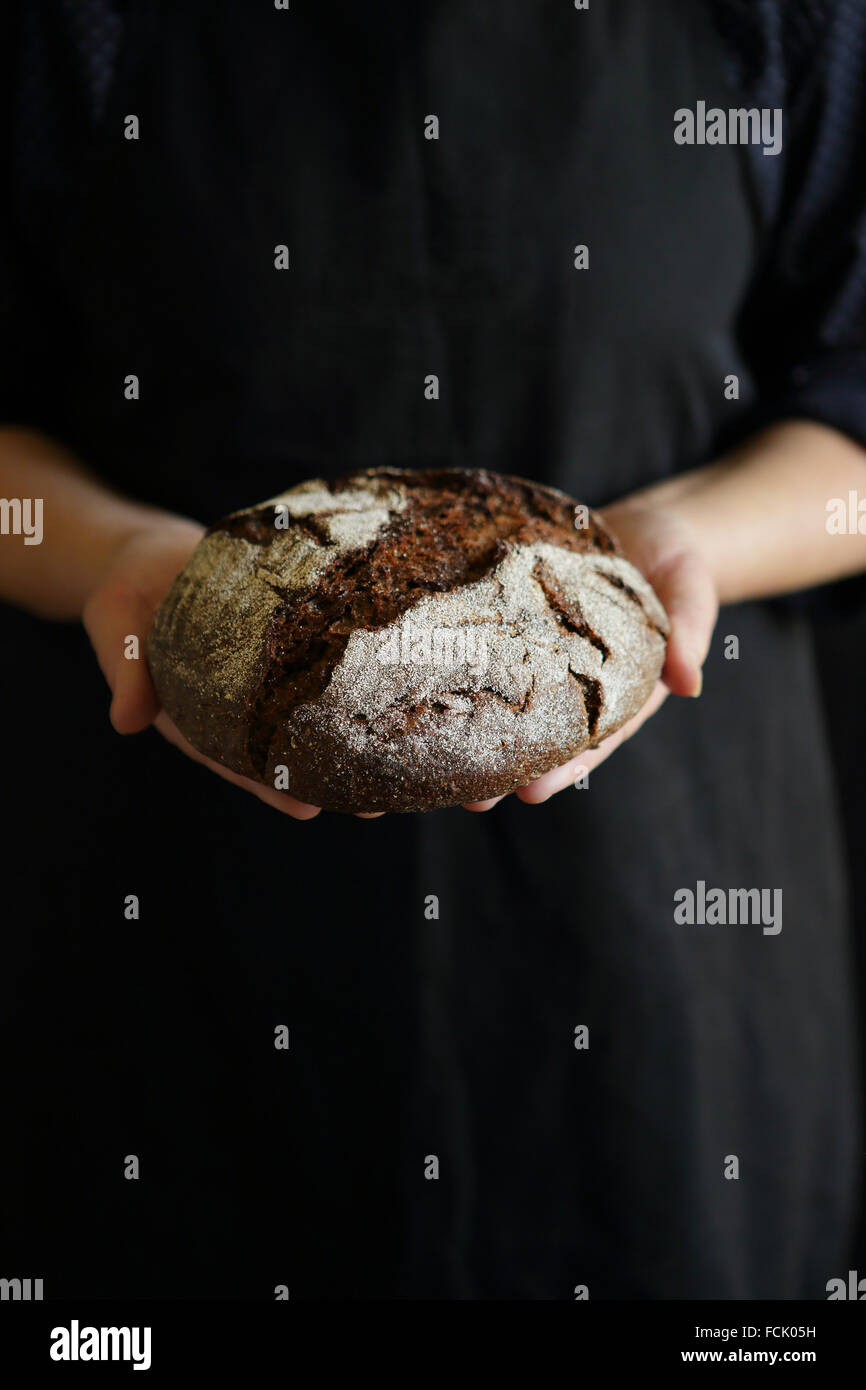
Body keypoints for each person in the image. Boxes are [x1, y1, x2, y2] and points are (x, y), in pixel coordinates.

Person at [1, 1, 865, 1299]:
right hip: (174, 968)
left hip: (663, 970)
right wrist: (112, 556)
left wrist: (688, 539)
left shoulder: (789, 20)